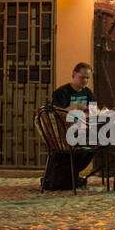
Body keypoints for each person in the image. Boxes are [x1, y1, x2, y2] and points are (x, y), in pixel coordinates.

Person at [41, 62, 94, 191]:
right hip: (64, 133)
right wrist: (74, 108)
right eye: (82, 77)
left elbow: (93, 110)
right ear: (74, 74)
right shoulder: (62, 92)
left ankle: (71, 175)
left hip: (83, 129)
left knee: (95, 145)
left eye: (87, 78)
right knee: (82, 146)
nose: (85, 81)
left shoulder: (88, 93)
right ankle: (67, 176)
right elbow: (55, 113)